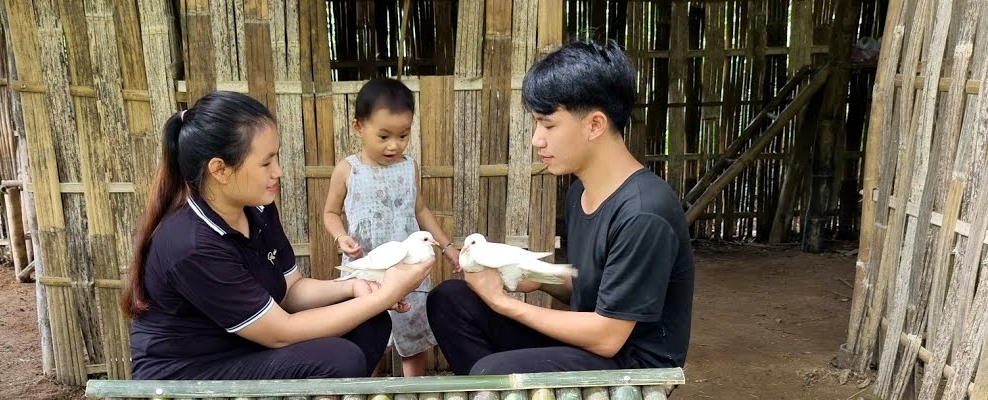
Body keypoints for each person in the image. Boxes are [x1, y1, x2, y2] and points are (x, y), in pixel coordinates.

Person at [122, 91, 433, 381]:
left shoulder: (257, 208)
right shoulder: (191, 244)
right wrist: (385, 295)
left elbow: (291, 290)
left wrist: (354, 287)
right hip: (188, 370)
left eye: (277, 157)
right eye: (266, 162)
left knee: (370, 323)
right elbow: (279, 332)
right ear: (220, 170)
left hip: (246, 342)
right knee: (341, 358)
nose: (278, 171)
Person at [427, 41, 694, 376]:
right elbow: (588, 287)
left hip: (632, 365)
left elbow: (608, 337)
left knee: (492, 371)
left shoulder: (643, 213)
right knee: (449, 301)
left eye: (548, 125)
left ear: (595, 125)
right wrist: (534, 276)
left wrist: (501, 302)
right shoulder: (581, 191)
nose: (536, 139)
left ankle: (496, 395)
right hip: (590, 344)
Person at [322, 78, 457, 378]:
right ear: (359, 127)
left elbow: (420, 211)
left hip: (410, 273)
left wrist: (448, 248)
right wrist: (340, 236)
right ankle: (371, 398)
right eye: (383, 136)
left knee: (414, 339)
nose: (394, 145)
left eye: (403, 135)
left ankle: (416, 394)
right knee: (369, 339)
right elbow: (330, 213)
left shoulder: (409, 167)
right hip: (367, 275)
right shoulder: (348, 170)